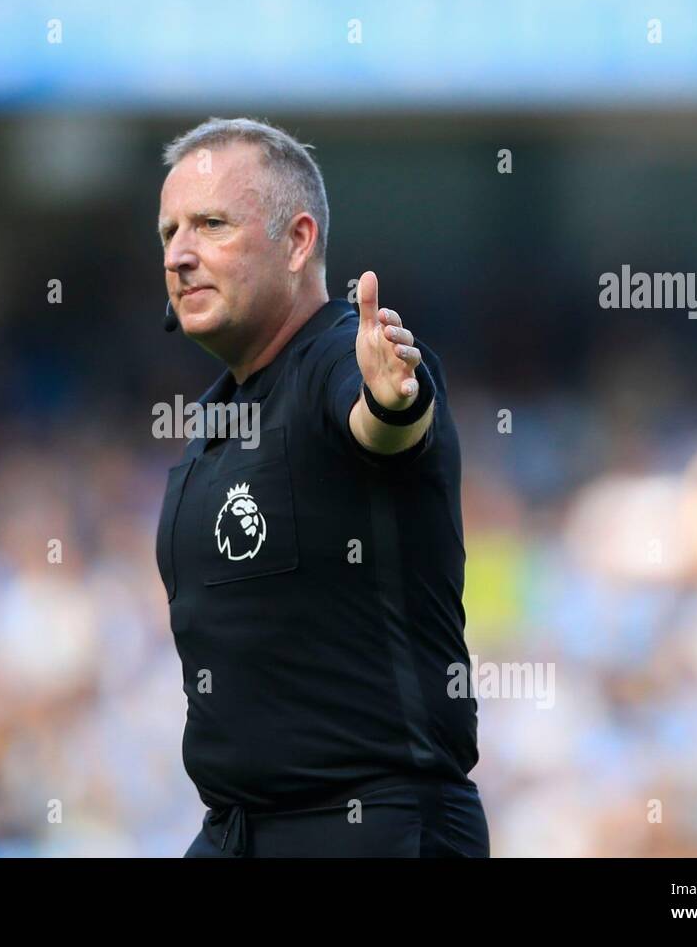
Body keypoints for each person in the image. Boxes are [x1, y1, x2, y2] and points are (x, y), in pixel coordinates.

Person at [154, 117, 489, 857]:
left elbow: (386, 422)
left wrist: (391, 400)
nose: (180, 254)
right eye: (170, 231)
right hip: (237, 832)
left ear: (298, 240)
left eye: (211, 224)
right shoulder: (217, 414)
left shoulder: (342, 356)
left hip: (372, 828)